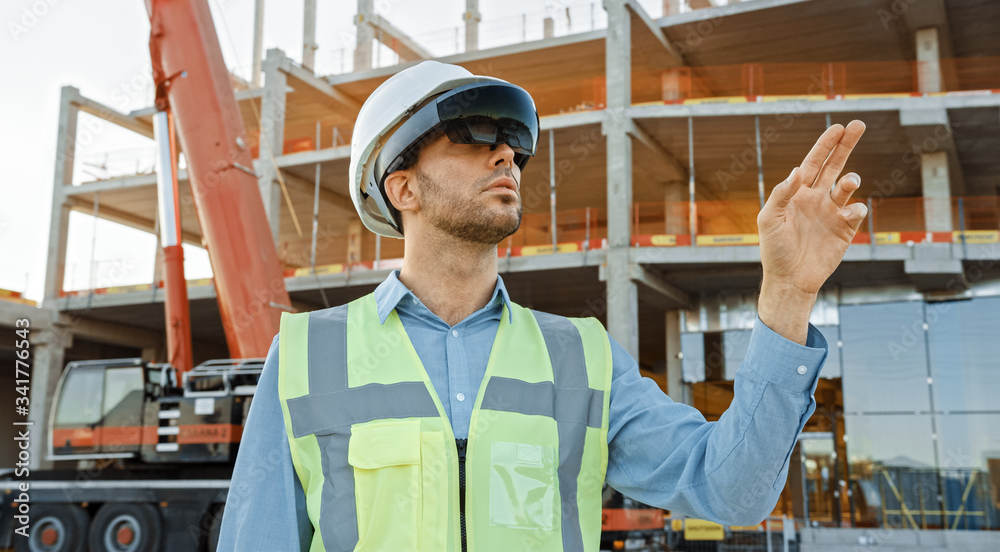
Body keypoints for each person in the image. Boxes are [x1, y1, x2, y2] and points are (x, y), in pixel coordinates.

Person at [218, 61, 868, 551]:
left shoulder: (581, 357)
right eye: (471, 133)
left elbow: (733, 490)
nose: (506, 153)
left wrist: (788, 293)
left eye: (512, 141)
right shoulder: (308, 353)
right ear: (403, 186)